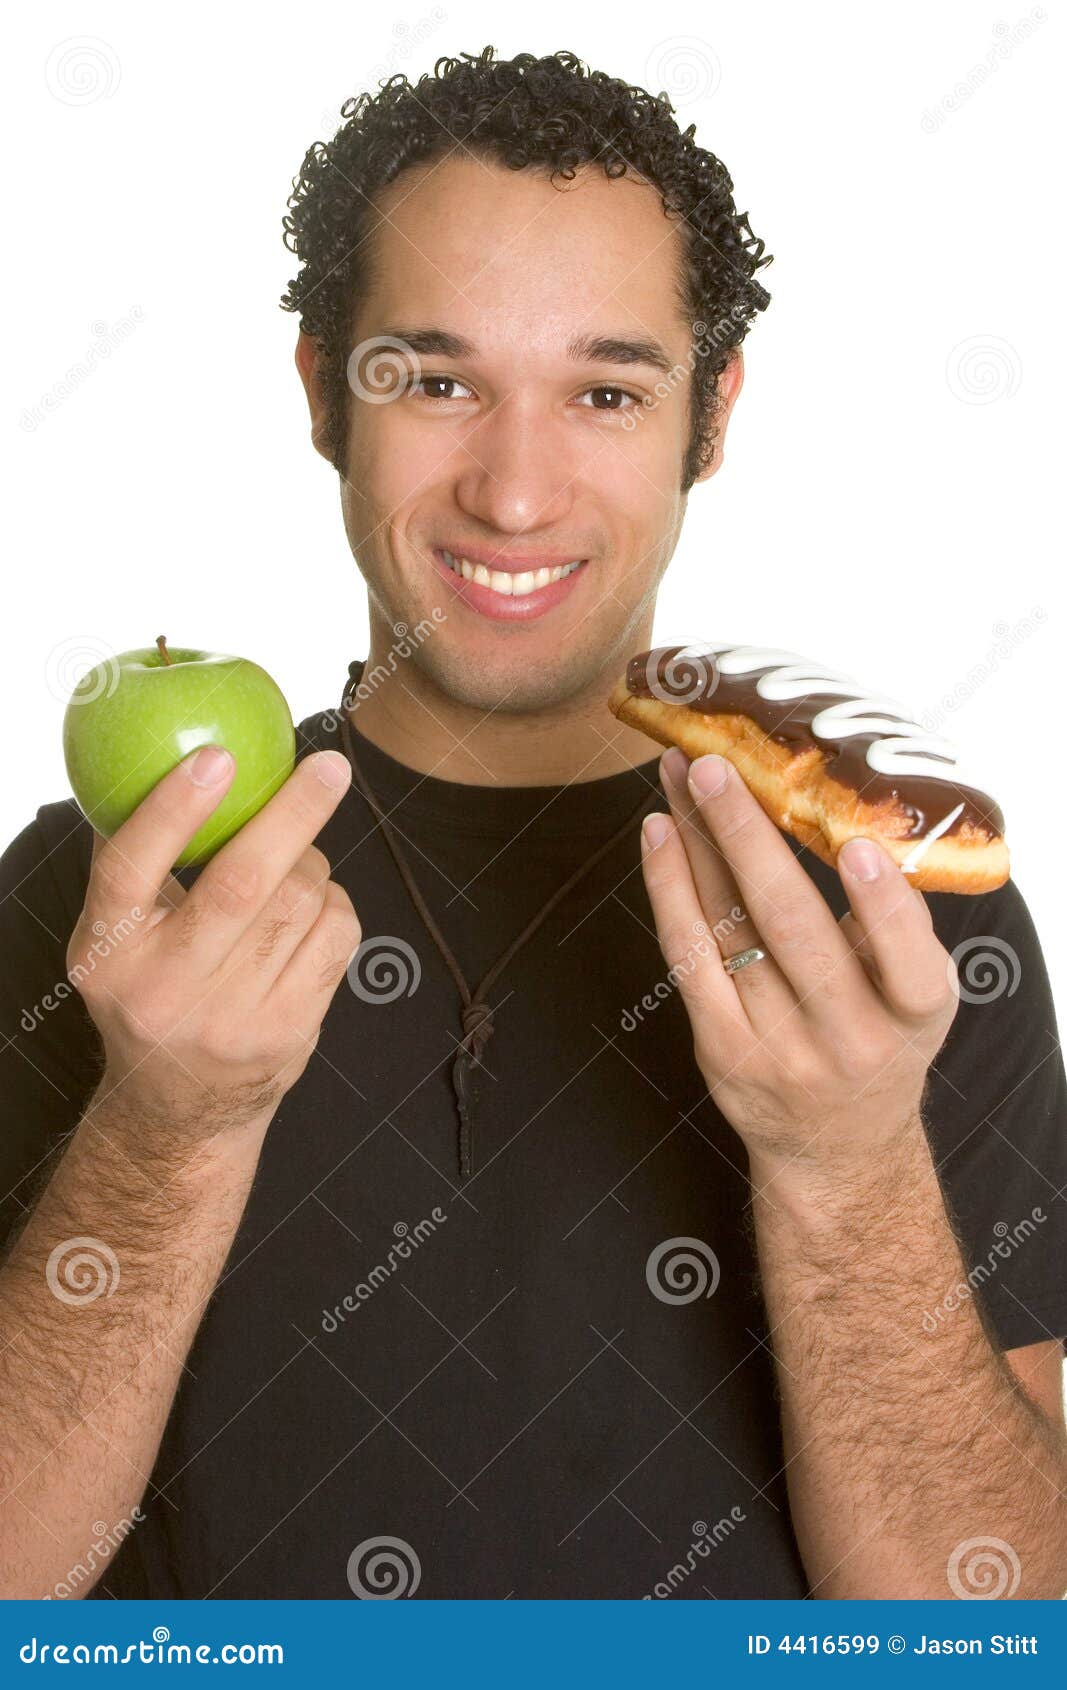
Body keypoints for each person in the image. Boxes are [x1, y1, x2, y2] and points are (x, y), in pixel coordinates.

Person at [1, 46, 1064, 1602]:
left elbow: (995, 1623)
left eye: (606, 392)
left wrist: (849, 1171)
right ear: (322, 394)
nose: (513, 493)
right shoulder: (103, 892)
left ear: (711, 419)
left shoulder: (898, 921)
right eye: (437, 382)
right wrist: (162, 1136)